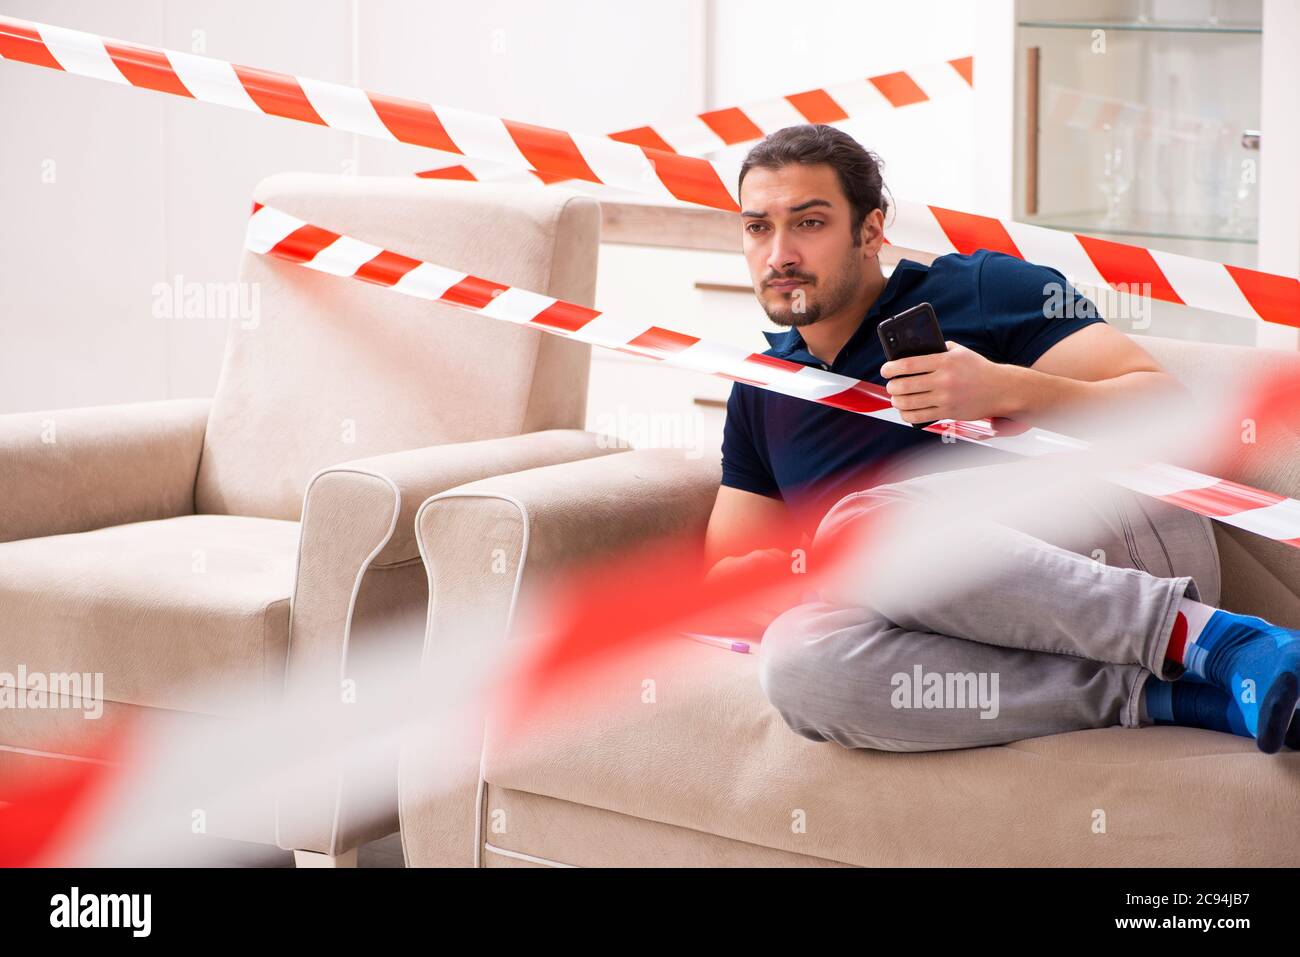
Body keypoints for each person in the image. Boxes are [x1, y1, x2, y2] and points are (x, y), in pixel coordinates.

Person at [704, 124, 1300, 754]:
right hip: (949, 620)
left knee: (862, 527)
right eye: (757, 227)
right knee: (798, 665)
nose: (779, 255)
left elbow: (1164, 410)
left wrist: (1006, 390)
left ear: (871, 231)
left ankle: (1228, 642)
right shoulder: (765, 386)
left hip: (1121, 547)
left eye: (810, 223)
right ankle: (1171, 697)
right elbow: (731, 569)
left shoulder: (982, 288)